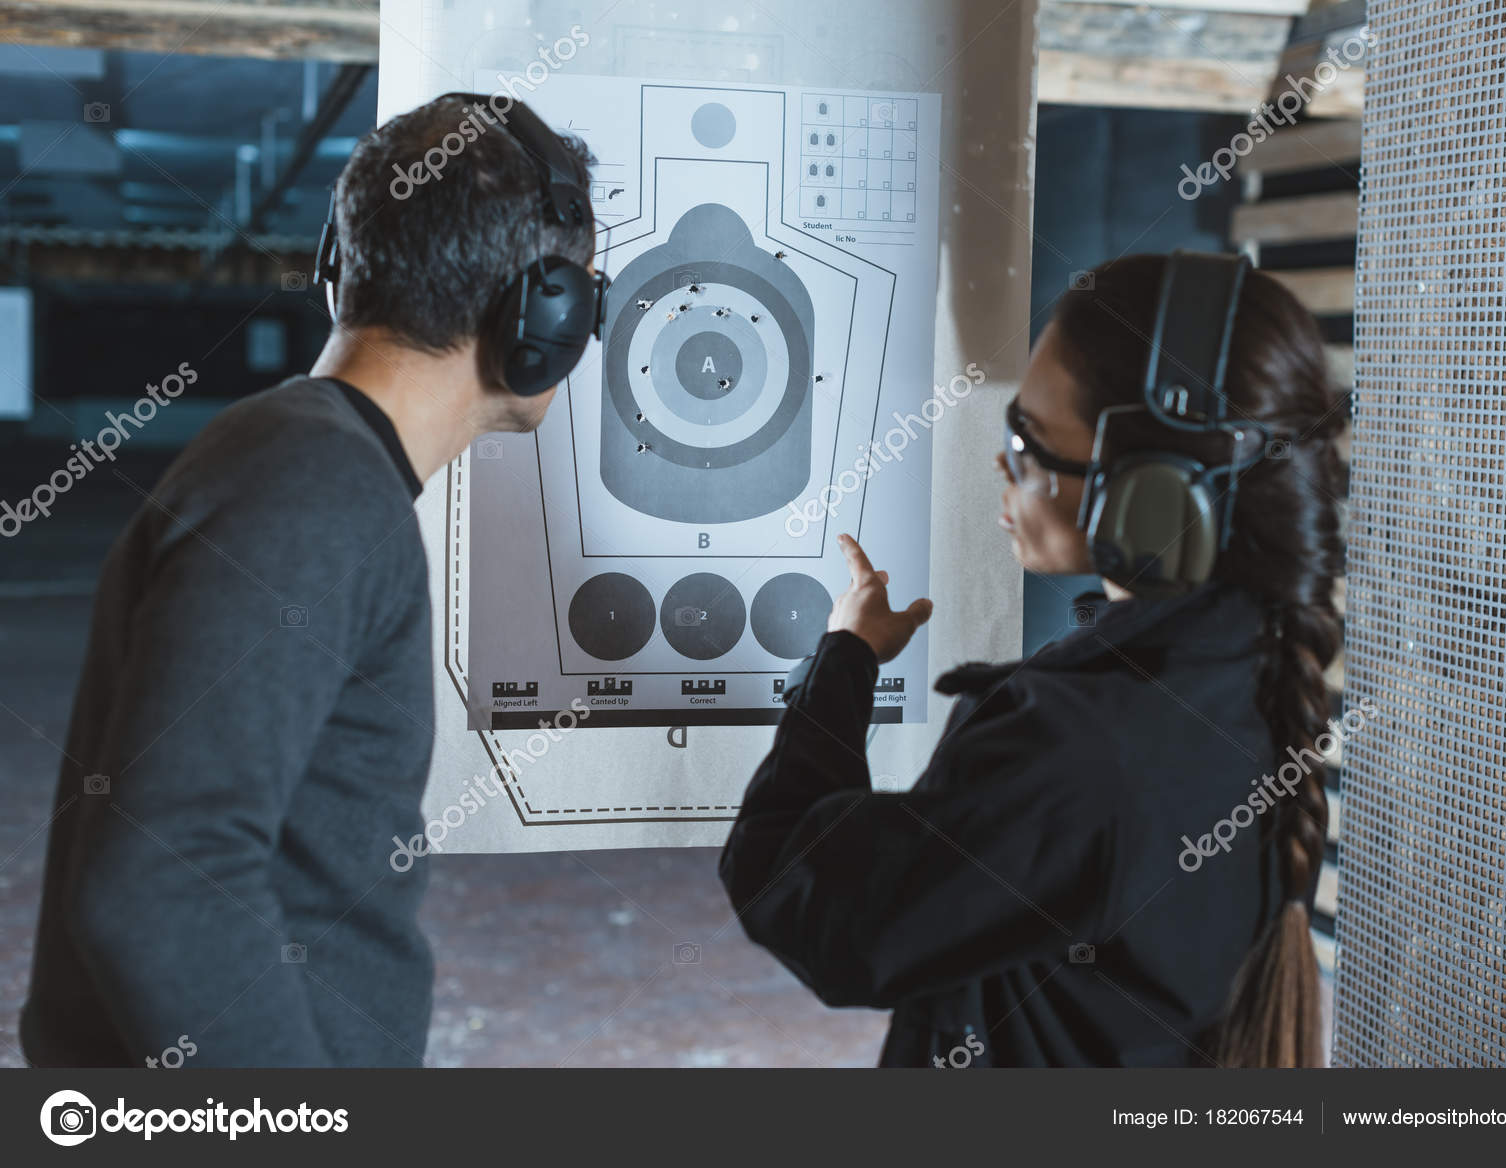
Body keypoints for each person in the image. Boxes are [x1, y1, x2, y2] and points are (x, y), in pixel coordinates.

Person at [21, 94, 600, 1067]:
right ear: (546, 313)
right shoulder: (312, 485)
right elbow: (162, 888)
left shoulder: (311, 464)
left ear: (340, 271)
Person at [719, 253, 1345, 1067]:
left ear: (1153, 495)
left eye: (1030, 440)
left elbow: (798, 898)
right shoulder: (1246, 667)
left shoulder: (1086, 751)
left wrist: (844, 661)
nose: (1002, 463)